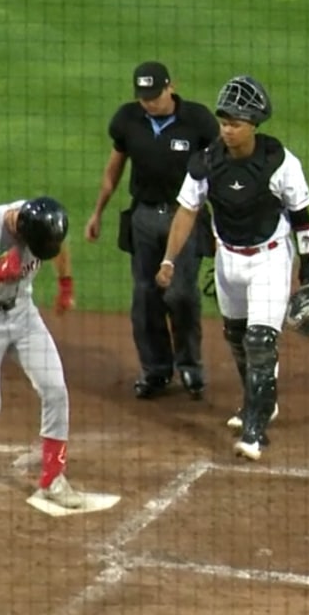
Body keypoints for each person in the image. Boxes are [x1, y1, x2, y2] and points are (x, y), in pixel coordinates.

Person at [155, 75, 309, 461]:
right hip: (229, 259)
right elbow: (186, 210)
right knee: (236, 336)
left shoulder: (279, 162)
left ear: (253, 124)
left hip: (270, 258)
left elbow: (302, 217)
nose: (227, 130)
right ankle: (262, 401)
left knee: (261, 341)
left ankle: (255, 430)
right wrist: (168, 259)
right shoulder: (207, 162)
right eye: (224, 122)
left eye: (235, 123)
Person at [85, 61, 220, 400]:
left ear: (170, 87)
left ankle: (190, 366)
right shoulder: (127, 120)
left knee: (182, 294)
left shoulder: (198, 121)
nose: (148, 102)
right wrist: (97, 212)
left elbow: (217, 172)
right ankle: (156, 370)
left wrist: (219, 223)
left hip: (185, 217)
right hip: (144, 217)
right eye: (143, 97)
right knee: (145, 297)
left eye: (154, 95)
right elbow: (113, 169)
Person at [0, 195, 88, 509]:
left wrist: (66, 287)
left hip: (23, 316)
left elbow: (58, 245)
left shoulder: (44, 223)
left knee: (55, 389)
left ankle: (53, 477)